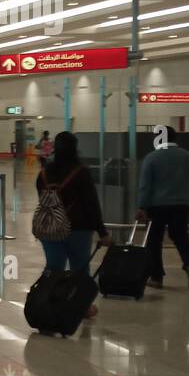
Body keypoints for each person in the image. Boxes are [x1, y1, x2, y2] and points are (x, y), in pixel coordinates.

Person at [35, 132, 111, 318]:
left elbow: (44, 201)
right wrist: (102, 232)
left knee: (53, 268)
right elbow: (91, 204)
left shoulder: (44, 173)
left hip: (50, 229)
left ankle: (46, 302)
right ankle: (82, 306)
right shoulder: (80, 172)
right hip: (79, 228)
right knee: (80, 269)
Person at [138, 140, 189, 291]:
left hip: (156, 206)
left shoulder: (152, 157)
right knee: (181, 237)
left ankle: (156, 278)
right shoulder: (188, 157)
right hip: (181, 205)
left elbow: (145, 185)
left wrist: (142, 206)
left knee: (154, 240)